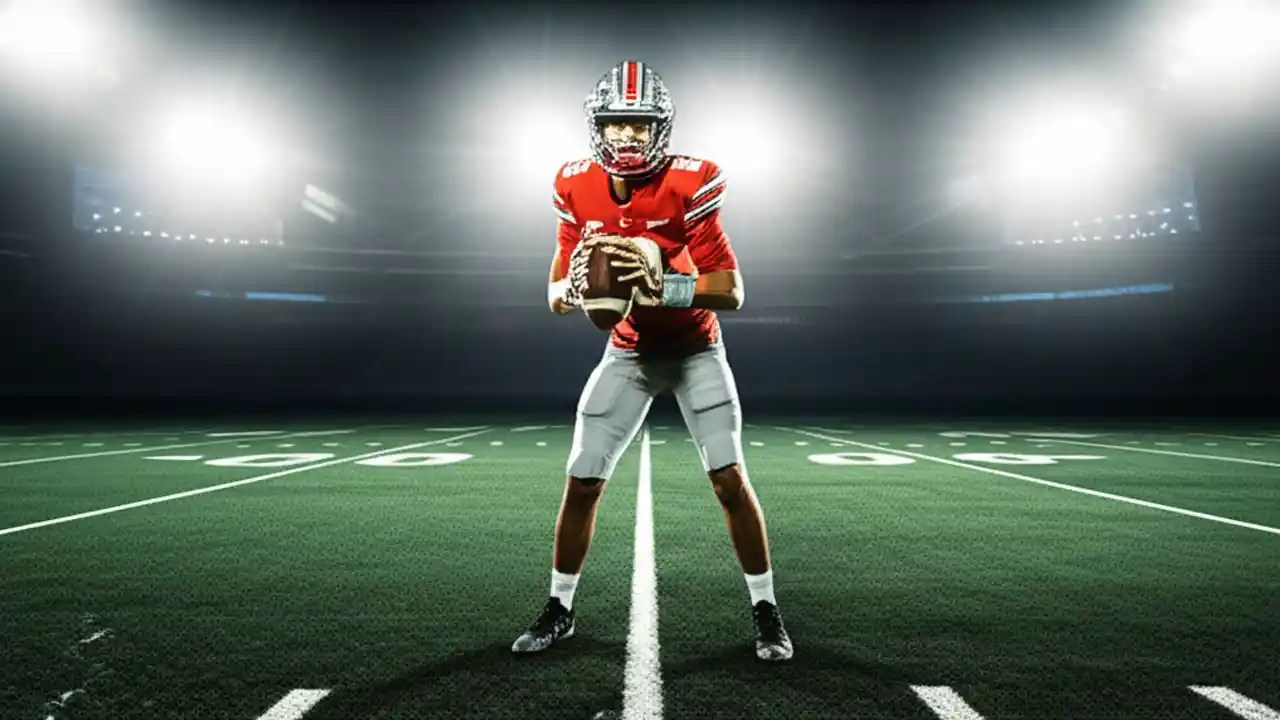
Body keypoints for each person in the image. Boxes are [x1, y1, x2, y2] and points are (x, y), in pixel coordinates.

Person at [512, 60, 792, 662]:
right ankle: (559, 607)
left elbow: (733, 290)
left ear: (660, 128)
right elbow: (560, 275)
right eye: (618, 123)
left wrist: (667, 287)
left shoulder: (692, 181)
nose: (629, 136)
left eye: (641, 124)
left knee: (728, 479)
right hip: (629, 352)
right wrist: (565, 292)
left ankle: (767, 611)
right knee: (583, 479)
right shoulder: (573, 183)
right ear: (599, 127)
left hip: (694, 349)